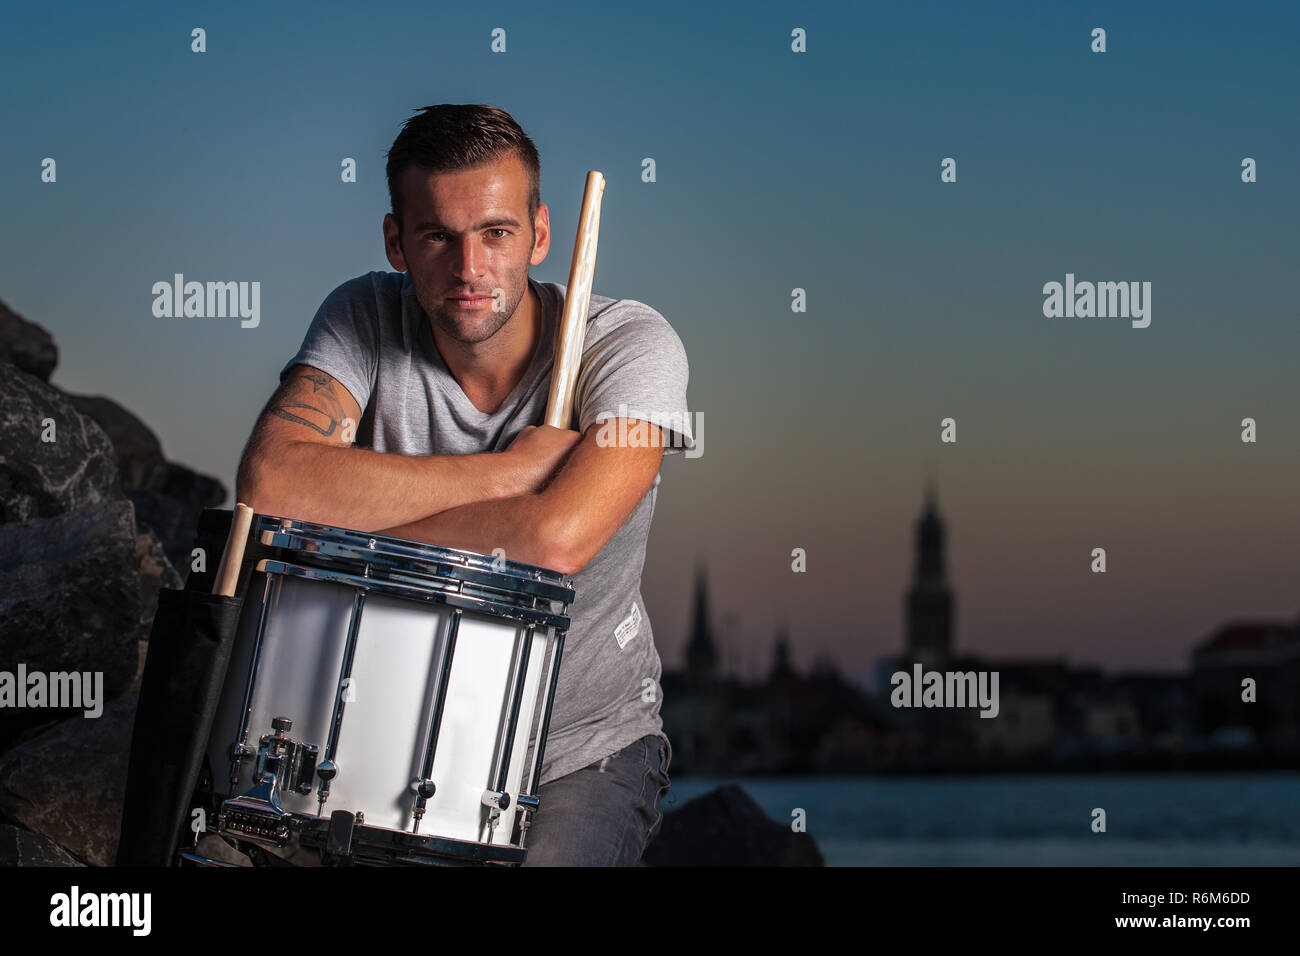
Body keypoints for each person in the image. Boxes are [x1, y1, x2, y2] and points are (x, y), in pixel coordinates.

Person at [234, 103, 694, 866]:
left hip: (578, 747)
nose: (469, 268)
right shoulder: (365, 314)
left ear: (540, 235)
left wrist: (341, 540)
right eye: (438, 236)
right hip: (389, 730)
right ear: (397, 243)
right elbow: (270, 478)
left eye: (496, 233)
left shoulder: (630, 345)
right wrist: (516, 471)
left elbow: (555, 540)